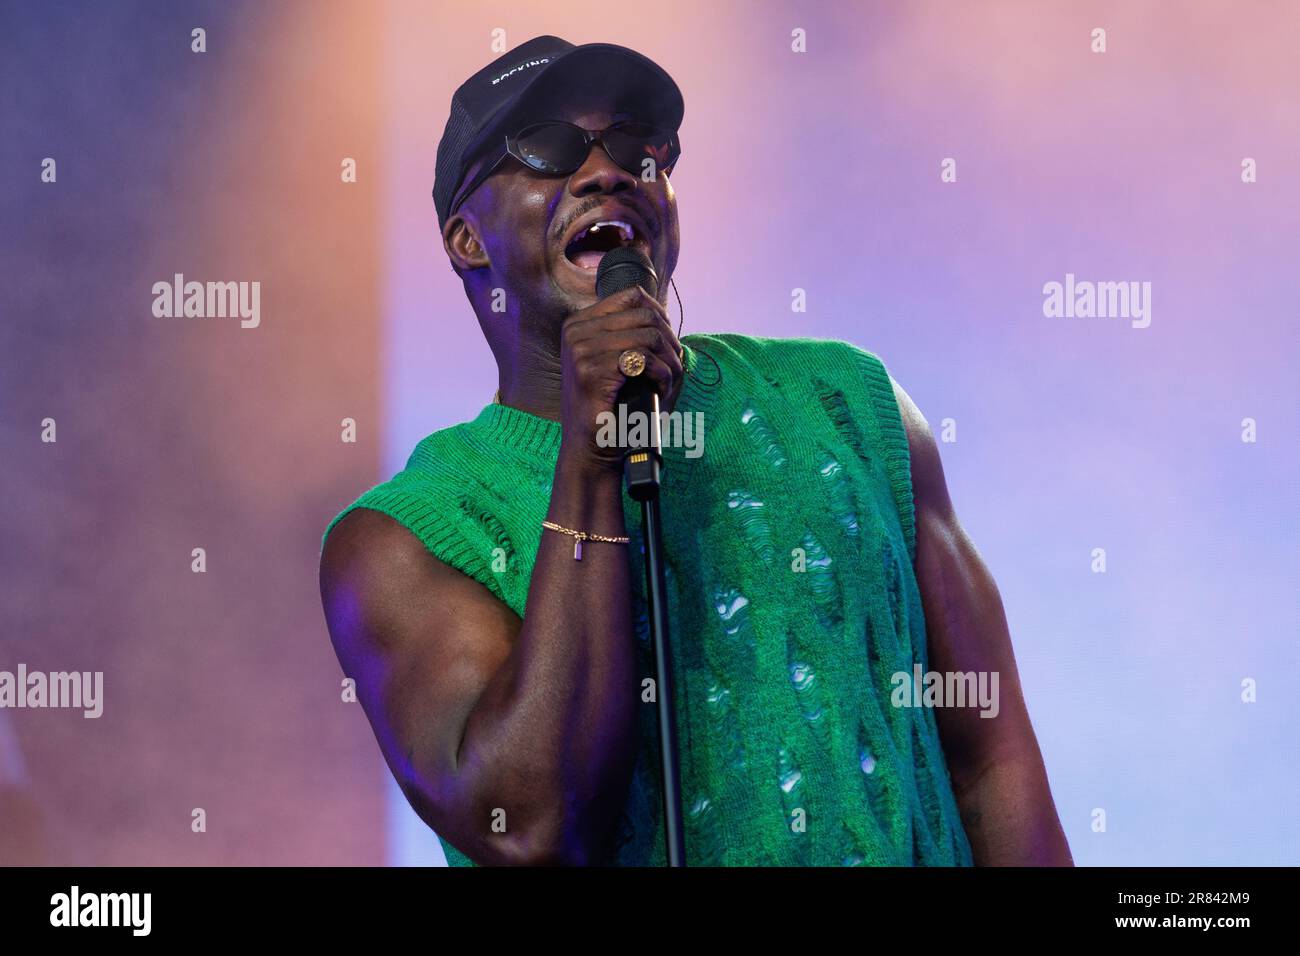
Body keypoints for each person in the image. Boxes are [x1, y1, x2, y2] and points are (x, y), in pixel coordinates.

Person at [319, 35, 1071, 866]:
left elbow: (992, 762)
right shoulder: (403, 537)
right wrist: (592, 462)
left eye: (639, 148)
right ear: (467, 240)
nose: (607, 171)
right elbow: (530, 826)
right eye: (550, 149)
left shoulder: (851, 402)